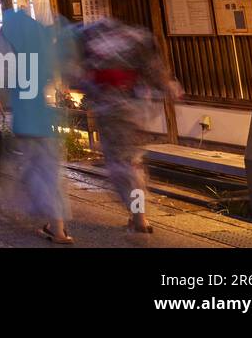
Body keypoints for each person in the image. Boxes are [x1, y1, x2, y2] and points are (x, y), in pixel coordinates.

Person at [72, 16, 181, 234]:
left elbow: (82, 77)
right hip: (135, 108)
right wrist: (167, 86)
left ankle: (138, 214)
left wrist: (91, 89)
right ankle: (140, 216)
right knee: (133, 162)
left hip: (109, 110)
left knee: (119, 165)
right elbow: (155, 72)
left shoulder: (93, 41)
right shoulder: (136, 38)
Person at [0, 7, 73, 245]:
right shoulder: (40, 36)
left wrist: (1, 99)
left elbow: (2, 76)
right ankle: (58, 227)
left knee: (33, 171)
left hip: (26, 117)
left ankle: (26, 210)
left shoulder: (8, 34)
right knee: (50, 173)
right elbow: (56, 67)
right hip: (47, 116)